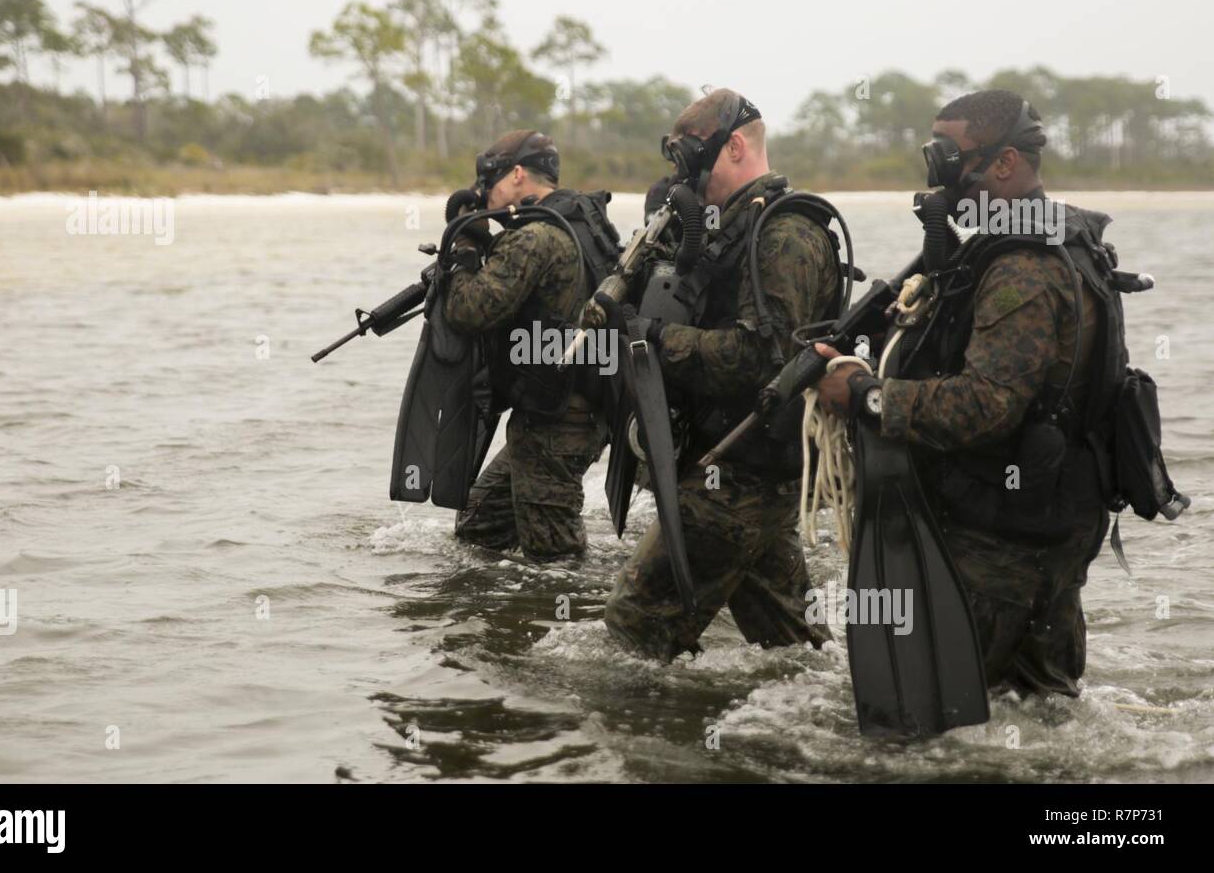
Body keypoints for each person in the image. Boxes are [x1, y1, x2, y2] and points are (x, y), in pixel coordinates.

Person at [816, 89, 1116, 697]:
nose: (939, 175)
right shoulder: (1036, 242)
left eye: (949, 159)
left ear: (1004, 163)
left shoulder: (1022, 266)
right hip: (1046, 524)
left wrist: (867, 395)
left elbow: (987, 404)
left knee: (937, 725)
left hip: (1003, 539)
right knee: (1039, 712)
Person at [604, 89, 840, 660]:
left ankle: (643, 744)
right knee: (792, 647)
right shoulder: (730, 229)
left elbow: (762, 361)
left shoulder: (783, 236)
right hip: (742, 468)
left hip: (741, 475)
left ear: (735, 146)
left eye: (691, 160)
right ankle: (840, 731)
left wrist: (652, 336)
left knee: (634, 629)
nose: (684, 177)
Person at [445, 130, 616, 561]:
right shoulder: (586, 221)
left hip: (556, 421)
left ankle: (578, 621)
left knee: (554, 560)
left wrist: (465, 248)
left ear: (518, 174)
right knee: (480, 526)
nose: (485, 194)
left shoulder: (535, 235)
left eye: (492, 182)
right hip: (586, 408)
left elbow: (469, 310)